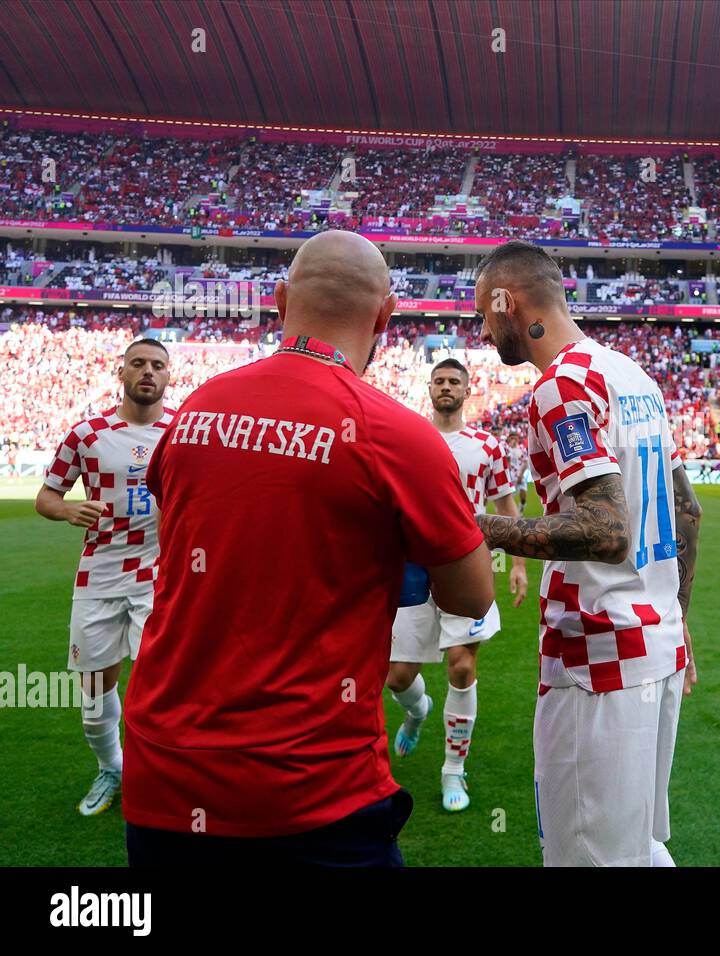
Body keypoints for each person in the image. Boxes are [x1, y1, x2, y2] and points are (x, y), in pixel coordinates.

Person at [121, 231, 494, 866]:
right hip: (311, 788)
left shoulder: (195, 410)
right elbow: (470, 596)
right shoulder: (396, 435)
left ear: (279, 299)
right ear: (385, 316)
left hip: (163, 772)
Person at [473, 240, 702, 867]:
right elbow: (688, 511)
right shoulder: (634, 376)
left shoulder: (561, 387)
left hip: (597, 656)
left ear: (508, 304)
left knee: (587, 857)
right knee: (640, 848)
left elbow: (605, 531)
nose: (485, 332)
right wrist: (677, 617)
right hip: (657, 647)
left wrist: (477, 526)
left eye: (483, 315)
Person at [35, 338, 175, 817]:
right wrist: (69, 509)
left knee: (158, 685)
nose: (148, 373)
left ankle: (156, 774)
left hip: (159, 578)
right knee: (95, 690)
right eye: (138, 363)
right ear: (121, 371)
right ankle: (111, 766)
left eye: (158, 365)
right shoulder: (86, 434)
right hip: (99, 576)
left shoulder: (181, 432)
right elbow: (46, 497)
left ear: (169, 375)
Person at [387, 357, 529, 812]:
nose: (446, 387)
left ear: (468, 391)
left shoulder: (486, 445)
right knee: (398, 677)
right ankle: (417, 711)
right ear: (428, 388)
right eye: (439, 381)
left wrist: (520, 565)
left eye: (454, 382)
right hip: (411, 567)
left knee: (462, 668)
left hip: (467, 564)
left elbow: (507, 508)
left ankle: (453, 770)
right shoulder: (409, 439)